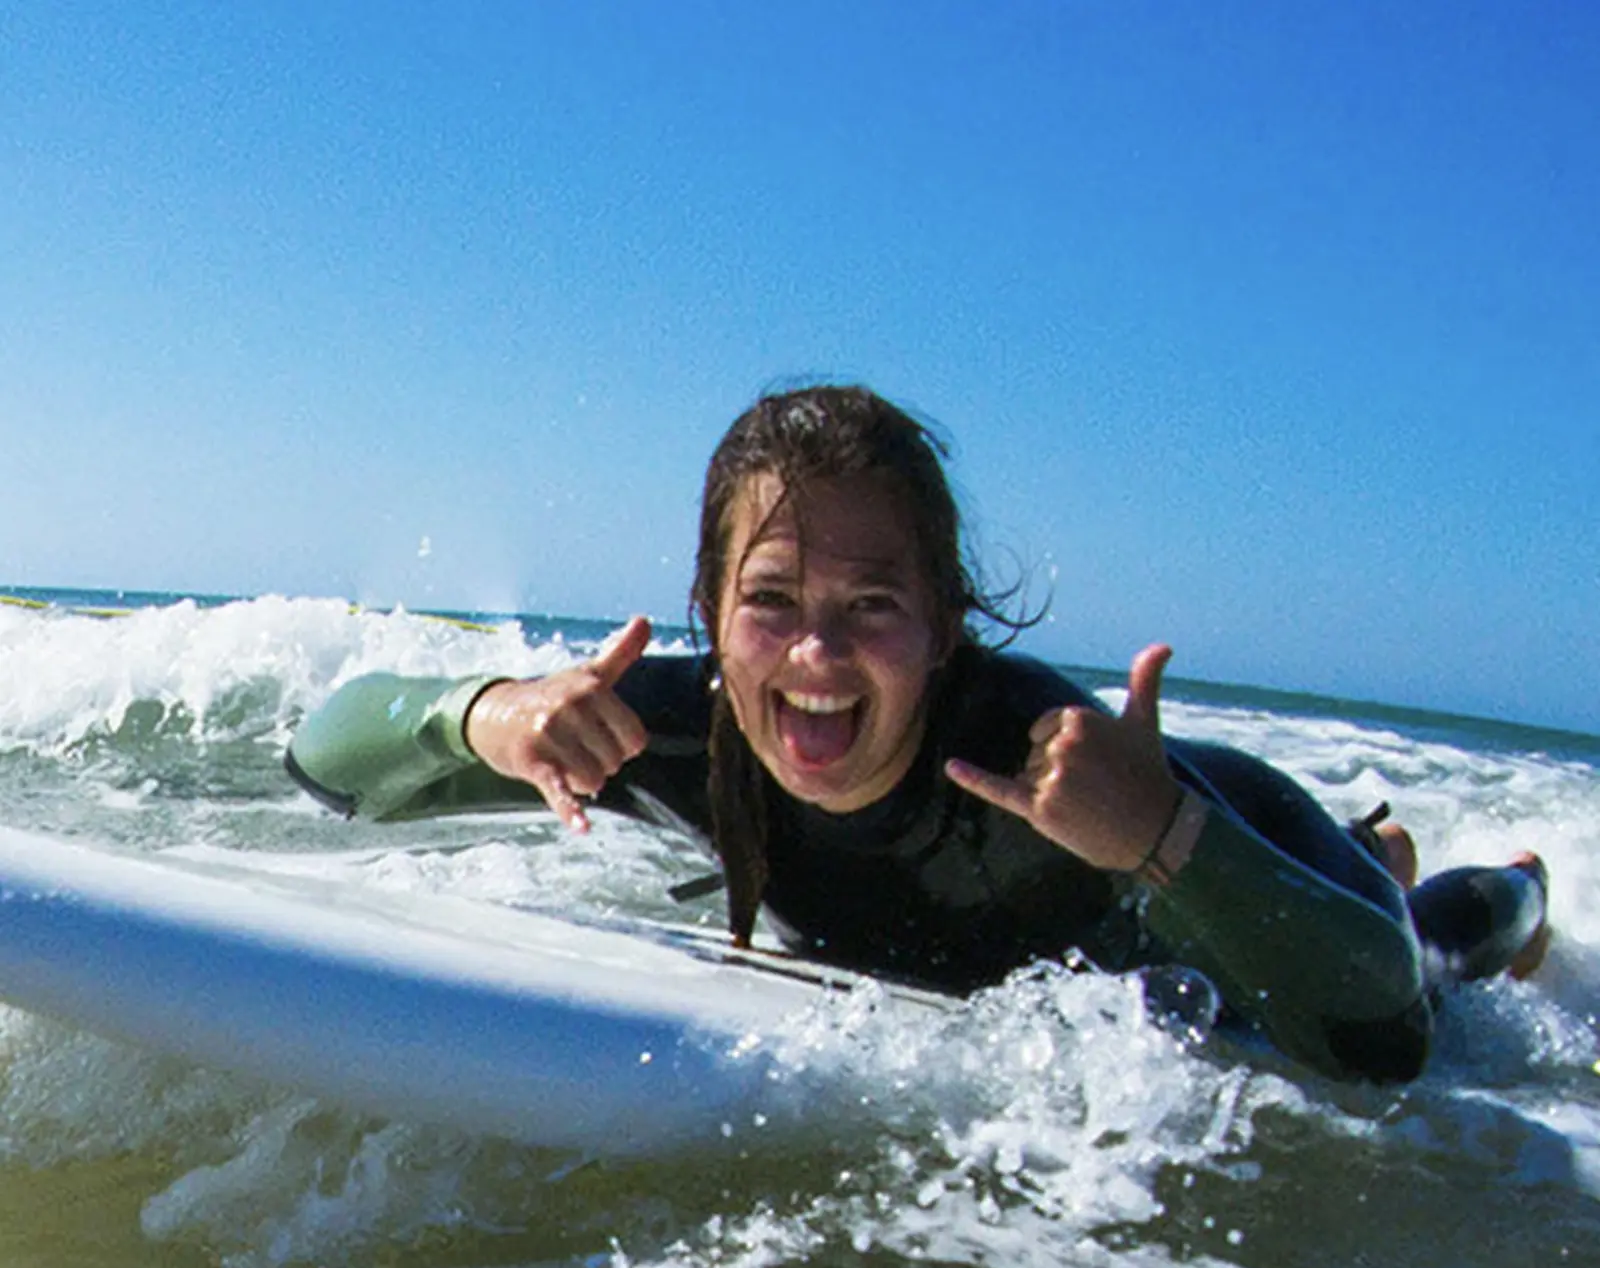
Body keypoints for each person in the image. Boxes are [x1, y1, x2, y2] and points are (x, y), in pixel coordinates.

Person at [286, 384, 1549, 1085]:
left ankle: (1503, 880)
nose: (815, 658)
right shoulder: (685, 730)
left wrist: (1163, 837)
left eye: (872, 607)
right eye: (770, 602)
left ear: (945, 625)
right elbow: (325, 766)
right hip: (1169, 848)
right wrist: (481, 715)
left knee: (1435, 937)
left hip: (1234, 834)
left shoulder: (1036, 764)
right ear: (710, 613)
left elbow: (1380, 1041)